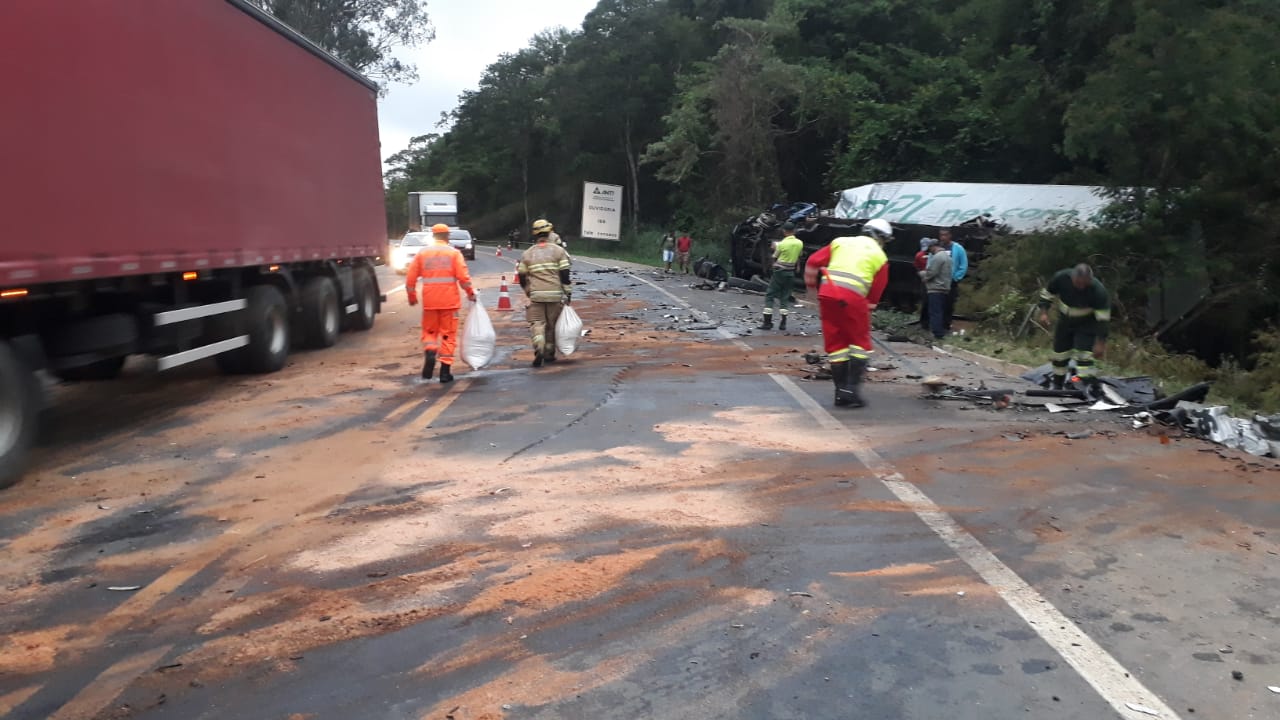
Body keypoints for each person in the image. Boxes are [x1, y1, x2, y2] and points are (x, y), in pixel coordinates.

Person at [804, 218, 891, 408]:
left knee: (837, 345)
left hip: (828, 294)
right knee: (860, 345)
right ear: (881, 238)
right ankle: (851, 390)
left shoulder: (840, 242)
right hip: (853, 299)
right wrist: (869, 308)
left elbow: (812, 262)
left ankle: (840, 393)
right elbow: (877, 289)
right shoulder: (880, 256)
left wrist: (812, 288)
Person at [405, 223, 475, 383]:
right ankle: (445, 372)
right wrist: (470, 293)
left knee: (429, 332)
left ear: (433, 236)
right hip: (449, 302)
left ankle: (430, 350)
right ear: (447, 236)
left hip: (430, 301)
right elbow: (463, 278)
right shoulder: (454, 254)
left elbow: (410, 277)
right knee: (447, 335)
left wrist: (411, 295)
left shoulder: (423, 253)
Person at [1038, 263, 1111, 392]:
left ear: (1090, 280)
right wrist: (1044, 312)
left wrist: (1101, 343)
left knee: (1084, 356)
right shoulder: (1061, 278)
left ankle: (1086, 386)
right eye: (1078, 283)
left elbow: (1103, 319)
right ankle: (1058, 385)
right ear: (1072, 278)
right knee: (1060, 355)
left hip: (1087, 324)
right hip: (1065, 322)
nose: (1081, 287)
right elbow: (1047, 294)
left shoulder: (1098, 291)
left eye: (1085, 284)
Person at [518, 220, 573, 367]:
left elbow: (522, 276)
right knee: (551, 325)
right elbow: (565, 274)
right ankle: (549, 354)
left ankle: (539, 345)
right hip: (554, 294)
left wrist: (528, 291)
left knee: (537, 323)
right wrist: (568, 293)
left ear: (534, 234)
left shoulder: (528, 253)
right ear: (550, 232)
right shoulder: (558, 251)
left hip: (536, 295)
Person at [759, 222, 804, 331]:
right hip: (790, 273)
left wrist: (773, 257)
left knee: (770, 294)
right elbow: (799, 256)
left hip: (779, 272)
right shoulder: (799, 243)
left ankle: (767, 322)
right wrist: (797, 266)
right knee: (785, 296)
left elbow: (774, 257)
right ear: (794, 231)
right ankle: (783, 323)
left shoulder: (782, 244)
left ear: (784, 231)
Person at [918, 239, 952, 339]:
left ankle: (937, 333)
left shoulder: (938, 257)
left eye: (930, 248)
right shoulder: (947, 257)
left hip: (936, 288)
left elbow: (931, 273)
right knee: (940, 311)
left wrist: (922, 274)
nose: (929, 251)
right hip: (944, 288)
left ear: (934, 246)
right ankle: (940, 331)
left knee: (935, 312)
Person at [939, 228, 967, 332]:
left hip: (951, 281)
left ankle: (946, 325)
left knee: (949, 303)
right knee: (938, 303)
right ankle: (936, 325)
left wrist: (956, 277)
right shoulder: (938, 247)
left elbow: (963, 265)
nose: (943, 237)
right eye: (941, 235)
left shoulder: (958, 248)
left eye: (945, 235)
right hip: (938, 281)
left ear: (950, 235)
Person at [915, 237, 932, 328]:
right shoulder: (919, 255)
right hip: (924, 281)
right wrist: (921, 273)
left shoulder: (934, 255)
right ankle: (923, 322)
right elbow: (917, 266)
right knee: (925, 301)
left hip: (934, 280)